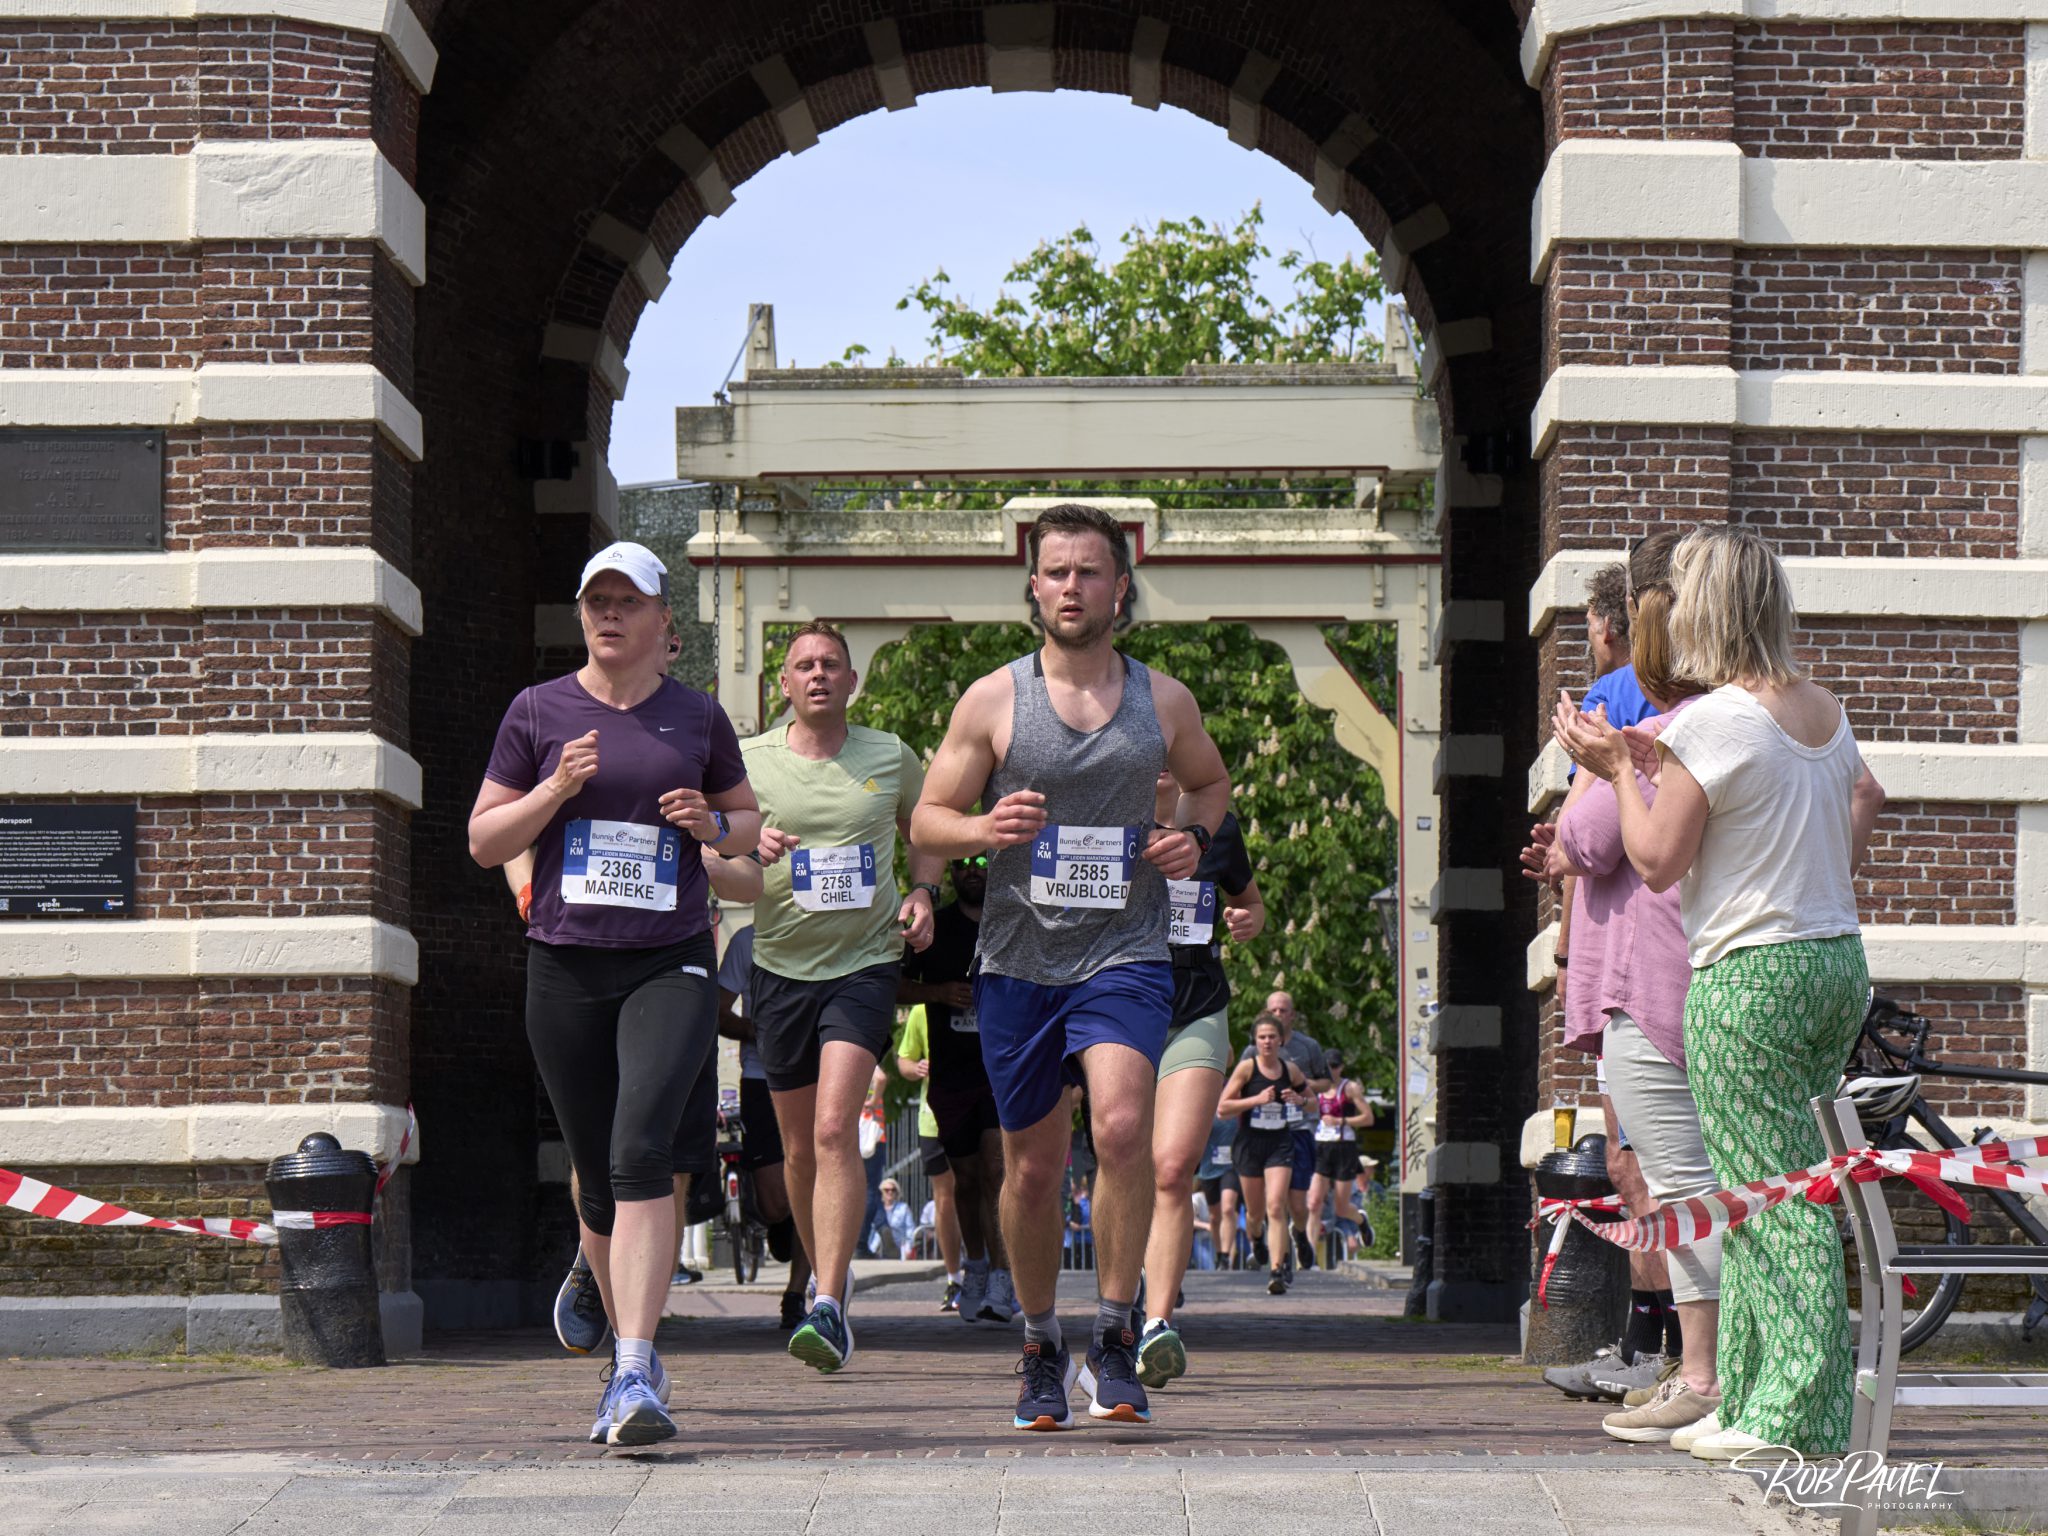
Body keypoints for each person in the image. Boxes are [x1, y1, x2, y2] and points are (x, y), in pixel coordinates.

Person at [1555, 524, 1886, 1462]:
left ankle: (1786, 1413)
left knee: (1761, 1199)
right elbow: (1849, 819)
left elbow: (1656, 862)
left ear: (1706, 608)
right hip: (1831, 959)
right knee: (1794, 1187)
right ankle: (1749, 1396)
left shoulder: (1714, 719)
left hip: (1750, 974)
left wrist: (1619, 768)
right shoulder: (1822, 708)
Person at [911, 502, 1230, 1431]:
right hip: (1017, 960)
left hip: (1125, 949)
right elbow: (930, 817)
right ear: (1035, 587)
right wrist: (981, 829)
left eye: (1089, 572)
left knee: (1125, 1126)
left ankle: (1118, 1334)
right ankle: (1043, 1345)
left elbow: (1209, 784)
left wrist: (1189, 837)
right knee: (1033, 1168)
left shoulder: (1162, 700)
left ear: (1119, 588)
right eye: (1056, 572)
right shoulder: (993, 699)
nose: (1072, 587)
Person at [468, 540, 762, 1447]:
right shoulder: (537, 710)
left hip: (668, 958)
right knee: (596, 1171)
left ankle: (634, 1368)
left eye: (626, 601)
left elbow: (745, 846)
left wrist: (712, 825)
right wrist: (555, 788)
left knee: (641, 1151)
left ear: (661, 621)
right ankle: (599, 1278)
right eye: (595, 599)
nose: (607, 614)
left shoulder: (697, 717)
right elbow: (484, 840)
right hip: (564, 963)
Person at [1537, 531, 1723, 1444]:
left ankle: (1695, 1371)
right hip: (1739, 966)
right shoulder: (1787, 711)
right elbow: (1861, 799)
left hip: (1653, 976)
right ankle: (1701, 1366)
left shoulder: (1650, 720)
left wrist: (1599, 777)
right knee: (1714, 1177)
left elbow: (1609, 846)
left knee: (1670, 1179)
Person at [745, 620, 942, 1375]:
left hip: (863, 966)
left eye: (831, 663)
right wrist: (745, 842)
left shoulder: (889, 754)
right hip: (781, 968)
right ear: (785, 685)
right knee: (799, 1148)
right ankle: (818, 1269)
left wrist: (923, 890)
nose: (818, 674)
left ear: (852, 681)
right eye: (804, 665)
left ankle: (830, 1300)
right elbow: (717, 835)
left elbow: (924, 828)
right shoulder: (750, 758)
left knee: (833, 1129)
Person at [1524, 561, 1671, 1401]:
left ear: (1617, 627)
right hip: (1649, 956)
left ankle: (1663, 1351)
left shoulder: (1618, 695)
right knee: (1651, 1161)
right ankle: (1657, 1344)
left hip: (1632, 964)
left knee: (1638, 1162)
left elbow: (1589, 836)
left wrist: (1565, 864)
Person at [1134, 769, 1265, 1386]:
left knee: (1172, 1167)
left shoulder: (1218, 832)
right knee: (1123, 1164)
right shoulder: (1104, 824)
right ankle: (1122, 1300)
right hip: (1119, 1008)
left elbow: (1251, 903)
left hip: (1197, 1005)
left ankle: (1157, 1323)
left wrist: (1247, 921)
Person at [897, 853, 1016, 1324]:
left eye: (983, 860)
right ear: (949, 871)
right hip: (951, 1074)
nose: (973, 868)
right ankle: (978, 1268)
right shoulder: (935, 926)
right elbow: (896, 986)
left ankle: (1006, 1279)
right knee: (964, 1181)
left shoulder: (1012, 920)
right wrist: (939, 993)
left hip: (1001, 1068)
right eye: (963, 861)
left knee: (996, 1171)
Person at [713, 921, 814, 1330]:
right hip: (760, 1077)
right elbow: (717, 1013)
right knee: (775, 1204)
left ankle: (796, 1295)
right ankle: (785, 1221)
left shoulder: (823, 931)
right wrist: (761, 1032)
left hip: (812, 1074)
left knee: (809, 1183)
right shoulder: (747, 941)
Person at [1218, 1014, 1311, 1294]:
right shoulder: (1247, 1068)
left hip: (1280, 1143)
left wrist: (1301, 1100)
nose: (1267, 1041)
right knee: (1256, 1214)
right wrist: (1256, 1100)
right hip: (1249, 1144)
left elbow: (1314, 1104)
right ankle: (1257, 1239)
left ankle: (1276, 1270)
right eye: (1262, 1037)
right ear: (1255, 1042)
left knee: (1276, 1206)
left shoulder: (1290, 1070)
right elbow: (1223, 1108)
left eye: (1272, 1036)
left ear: (1281, 1040)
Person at [1237, 990, 1327, 1270]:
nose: (1278, 1015)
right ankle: (1268, 1249)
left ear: (1293, 1015)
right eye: (1273, 1010)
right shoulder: (1252, 1051)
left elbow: (1325, 1084)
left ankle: (1298, 1235)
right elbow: (1233, 1093)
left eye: (1283, 1011)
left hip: (1297, 1129)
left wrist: (1297, 1083)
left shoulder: (1308, 1046)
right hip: (1260, 1133)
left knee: (1297, 1206)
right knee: (1264, 1207)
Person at [894, 1003, 965, 1306]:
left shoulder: (981, 996)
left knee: (985, 1192)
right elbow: (904, 1061)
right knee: (945, 1199)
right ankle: (955, 1279)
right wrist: (917, 1067)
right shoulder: (922, 1011)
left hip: (979, 1111)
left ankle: (990, 1271)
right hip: (932, 1118)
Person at [1303, 1049, 1373, 1266]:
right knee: (1314, 1203)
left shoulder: (1349, 1088)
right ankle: (1309, 1258)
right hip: (1322, 1147)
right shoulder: (1316, 1089)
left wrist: (1341, 1121)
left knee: (1341, 1208)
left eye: (1334, 1066)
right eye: (1327, 1067)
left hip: (1344, 1147)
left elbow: (1368, 1118)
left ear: (1341, 1067)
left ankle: (1361, 1220)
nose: (1330, 1071)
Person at [1198, 1114, 1240, 1268]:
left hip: (1232, 1167)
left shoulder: (1236, 1106)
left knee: (1228, 1209)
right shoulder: (1206, 1107)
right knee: (1214, 1217)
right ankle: (1219, 1252)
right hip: (1209, 1169)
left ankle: (1225, 1256)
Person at [873, 1177, 917, 1259]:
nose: (890, 1192)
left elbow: (910, 1230)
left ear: (897, 1192)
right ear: (881, 1192)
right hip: (877, 1247)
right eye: (886, 1190)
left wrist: (908, 1248)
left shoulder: (903, 1208)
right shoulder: (875, 1208)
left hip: (897, 1248)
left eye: (893, 1190)